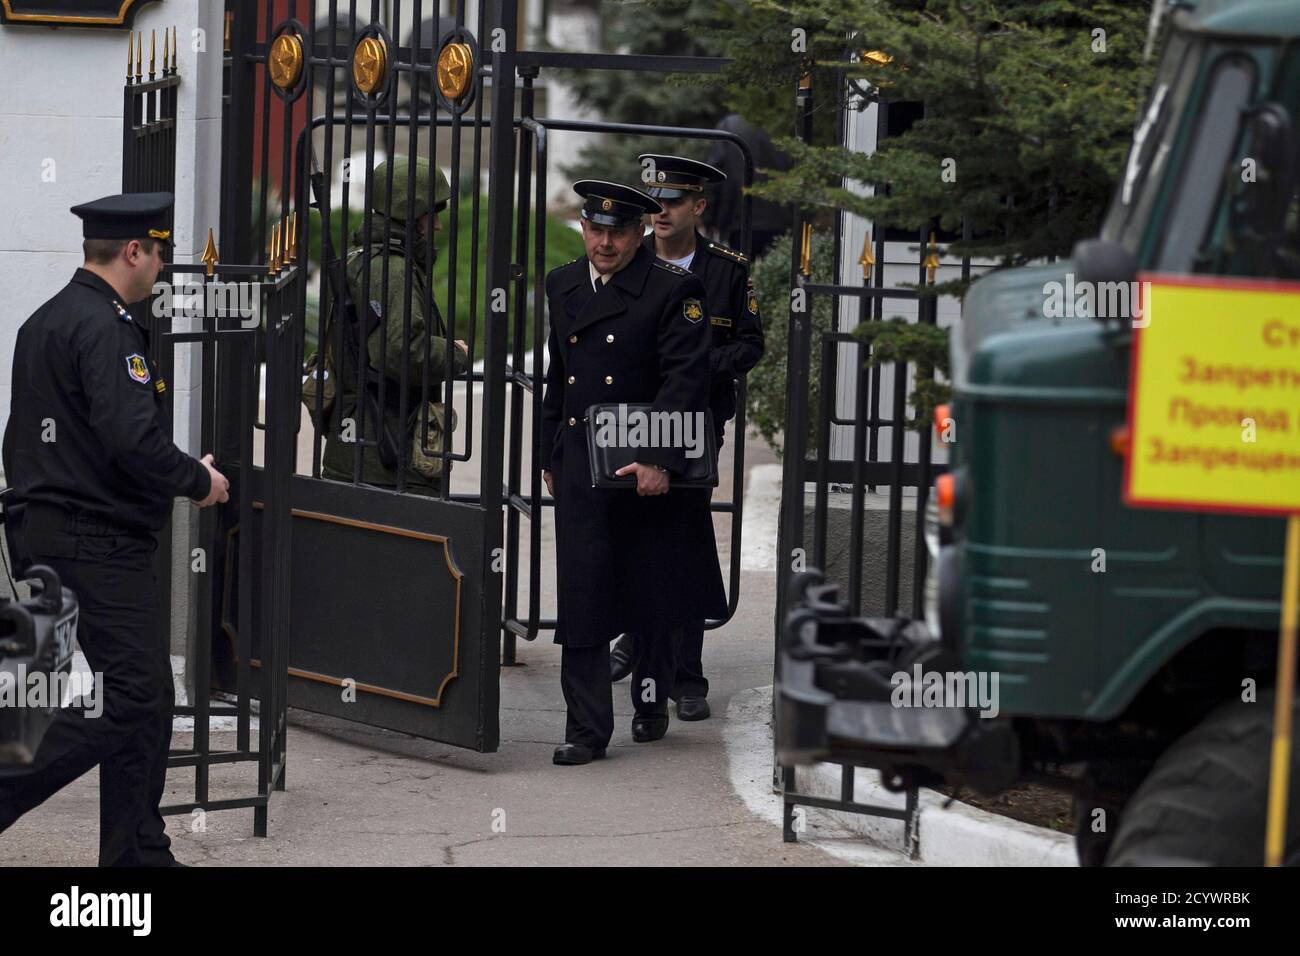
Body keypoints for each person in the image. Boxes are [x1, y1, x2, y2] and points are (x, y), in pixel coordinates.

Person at [0, 192, 230, 866]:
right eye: (159, 254)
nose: (161, 269)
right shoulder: (106, 326)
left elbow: (44, 437)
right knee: (135, 691)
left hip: (52, 531)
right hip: (92, 538)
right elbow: (130, 437)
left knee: (141, 693)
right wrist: (198, 479)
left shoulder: (46, 321)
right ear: (134, 251)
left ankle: (136, 853)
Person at [540, 180, 727, 765]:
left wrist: (656, 457)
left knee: (650, 591)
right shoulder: (564, 283)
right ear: (584, 229)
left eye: (617, 232)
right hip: (582, 466)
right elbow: (558, 375)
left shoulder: (676, 290)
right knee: (585, 593)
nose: (605, 243)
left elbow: (685, 379)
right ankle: (587, 730)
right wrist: (552, 452)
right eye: (595, 230)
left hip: (644, 468)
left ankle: (650, 703)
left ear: (641, 231)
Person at [608, 155, 766, 721]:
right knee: (631, 532)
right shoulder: (631, 260)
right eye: (655, 203)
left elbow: (751, 344)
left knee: (685, 537)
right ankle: (635, 640)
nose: (662, 213)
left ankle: (686, 675)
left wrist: (700, 366)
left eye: (674, 202)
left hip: (695, 420)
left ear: (697, 206)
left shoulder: (726, 270)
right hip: (635, 417)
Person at [320, 155, 470, 494]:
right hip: (385, 454)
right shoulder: (393, 269)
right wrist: (455, 353)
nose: (437, 225)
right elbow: (402, 350)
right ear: (411, 212)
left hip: (360, 445)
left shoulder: (362, 257)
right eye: (432, 213)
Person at [703, 113, 791, 259]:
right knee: (774, 275)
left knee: (741, 272)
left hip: (740, 217)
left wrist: (710, 219)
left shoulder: (729, 125)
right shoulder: (783, 126)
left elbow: (714, 172)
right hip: (779, 219)